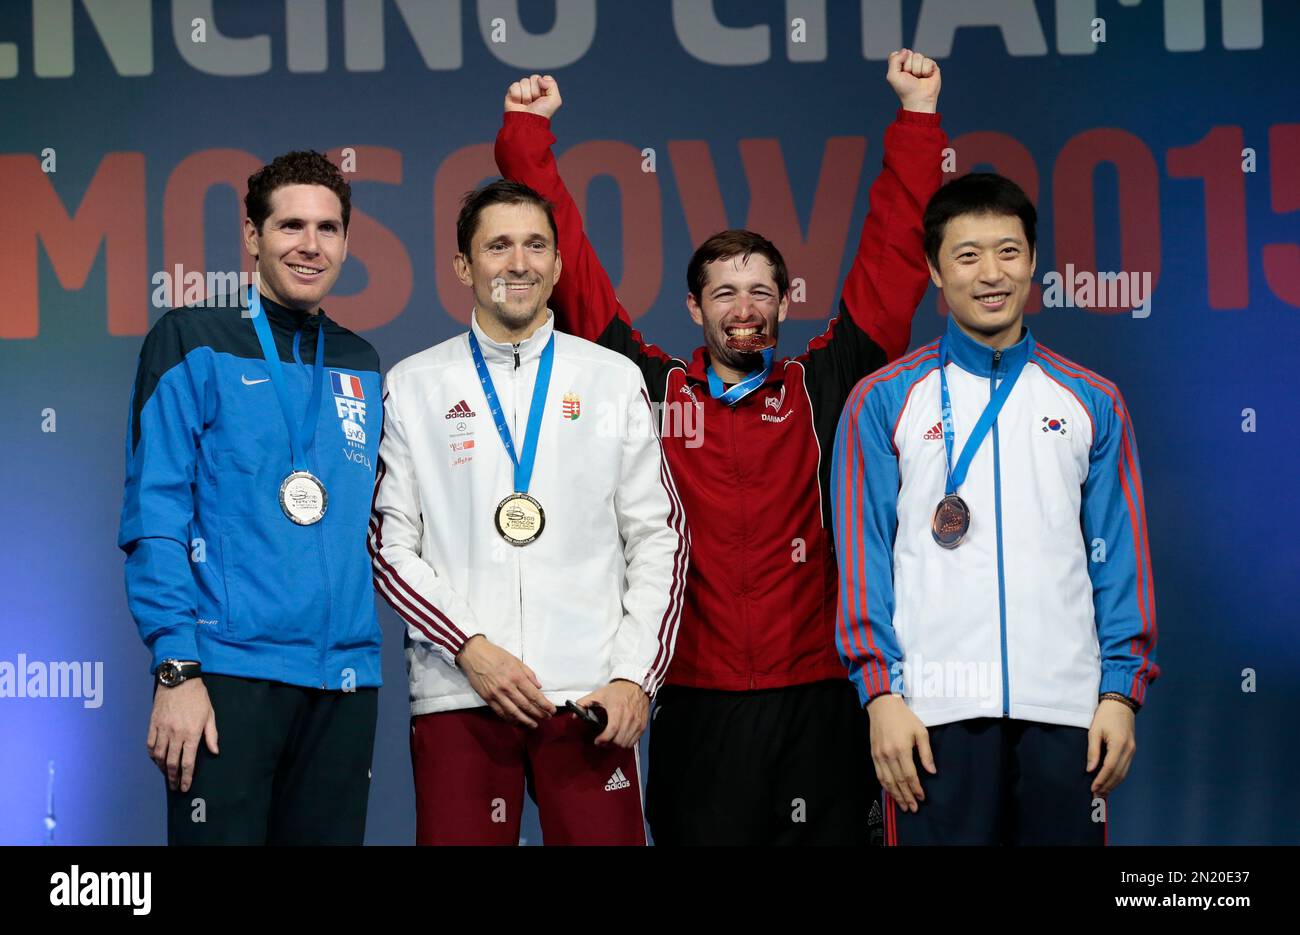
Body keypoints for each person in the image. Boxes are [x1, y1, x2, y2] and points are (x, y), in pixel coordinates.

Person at [494, 53, 946, 845]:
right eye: (726, 292)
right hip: (696, 700)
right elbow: (576, 282)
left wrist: (917, 116)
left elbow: (893, 260)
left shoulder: (826, 385)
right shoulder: (649, 388)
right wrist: (527, 136)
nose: (746, 308)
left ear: (785, 304)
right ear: (693, 305)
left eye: (764, 290)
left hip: (818, 693)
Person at [831, 172, 1159, 845]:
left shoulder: (1092, 400)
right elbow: (863, 563)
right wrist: (882, 695)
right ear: (934, 268)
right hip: (931, 715)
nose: (991, 273)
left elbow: (1120, 560)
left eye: (1008, 252)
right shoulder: (884, 399)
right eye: (968, 254)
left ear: (1033, 261)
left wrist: (1119, 693)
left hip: (1066, 713)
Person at [369, 180, 686, 845]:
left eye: (536, 245)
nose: (519, 263)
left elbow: (658, 541)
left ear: (558, 265)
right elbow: (390, 548)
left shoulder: (610, 378)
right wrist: (470, 648)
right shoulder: (413, 384)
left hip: (591, 701)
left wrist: (633, 676)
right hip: (462, 692)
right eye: (499, 246)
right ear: (463, 265)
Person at [119, 151, 384, 844]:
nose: (310, 244)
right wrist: (177, 667)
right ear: (251, 236)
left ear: (347, 242)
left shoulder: (362, 362)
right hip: (228, 675)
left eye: (328, 228)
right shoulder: (189, 339)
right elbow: (156, 514)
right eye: (291, 224)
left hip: (344, 680)